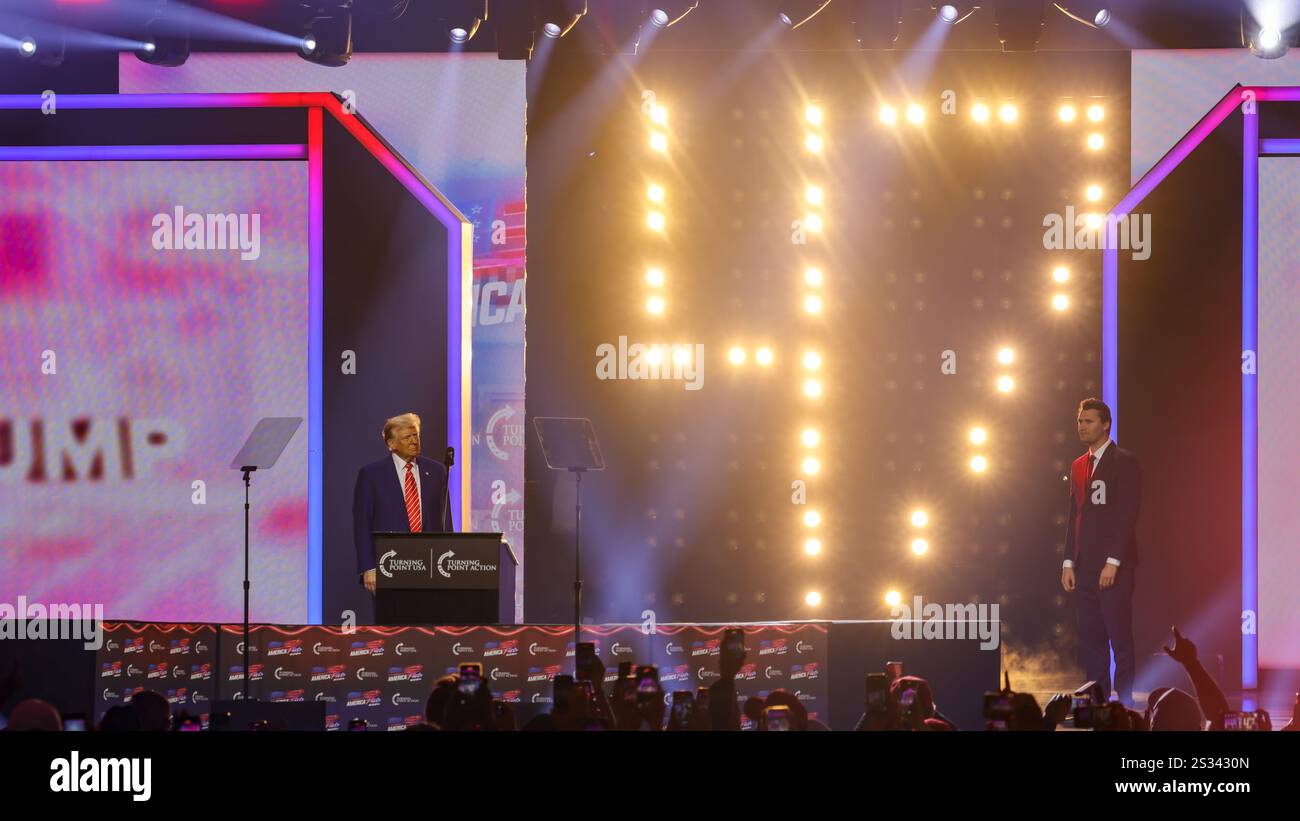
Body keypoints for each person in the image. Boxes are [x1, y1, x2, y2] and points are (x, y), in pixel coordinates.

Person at [1061, 397, 1141, 707]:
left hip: (1114, 566)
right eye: (1080, 421)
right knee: (1091, 636)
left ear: (1105, 424)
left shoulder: (1124, 461)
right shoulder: (1079, 465)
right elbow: (1074, 515)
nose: (1082, 427)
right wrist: (1069, 561)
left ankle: (1126, 701)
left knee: (1118, 634)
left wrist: (1114, 560)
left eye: (1089, 421)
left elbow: (1127, 514)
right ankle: (1097, 700)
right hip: (1084, 566)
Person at [352, 412, 454, 598]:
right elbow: (362, 525)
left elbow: (445, 520)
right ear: (391, 444)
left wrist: (450, 560)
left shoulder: (436, 471)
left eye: (416, 435)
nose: (414, 441)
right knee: (393, 626)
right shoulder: (371, 475)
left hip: (431, 565)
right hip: (389, 565)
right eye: (408, 437)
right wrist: (368, 567)